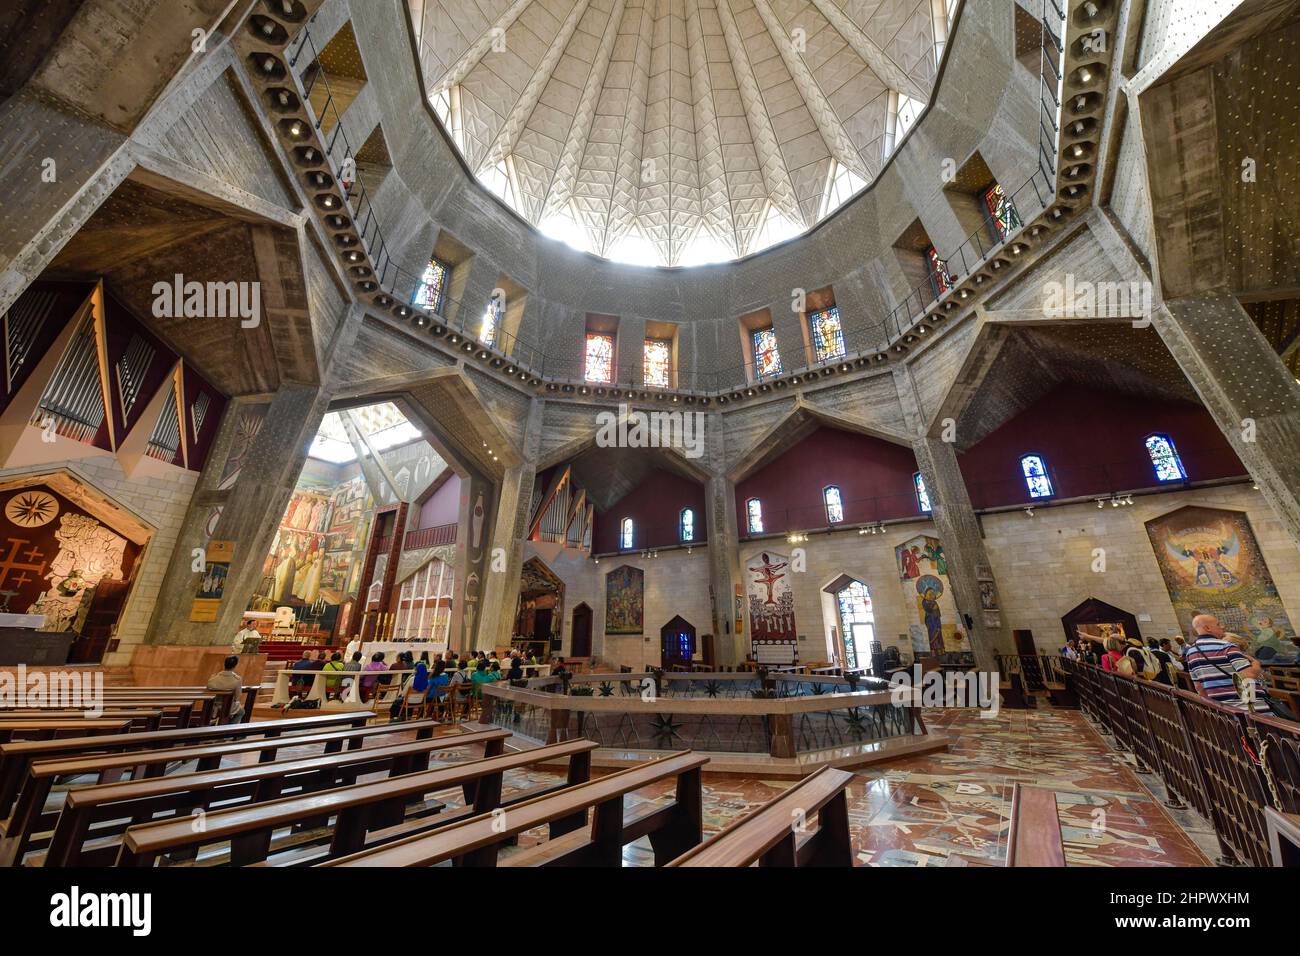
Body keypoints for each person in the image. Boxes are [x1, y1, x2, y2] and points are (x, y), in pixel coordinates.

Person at [1183, 614, 1275, 713]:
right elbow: (1249, 675)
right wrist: (1256, 663)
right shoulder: (1226, 646)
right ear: (1207, 628)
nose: (1222, 626)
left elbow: (1199, 688)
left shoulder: (1191, 652)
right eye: (1218, 624)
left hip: (1224, 711)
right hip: (1250, 709)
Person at [206, 655, 245, 722]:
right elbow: (237, 697)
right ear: (235, 666)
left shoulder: (214, 677)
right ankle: (230, 729)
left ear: (224, 664)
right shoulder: (237, 679)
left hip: (211, 706)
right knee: (241, 712)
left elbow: (208, 687)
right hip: (227, 706)